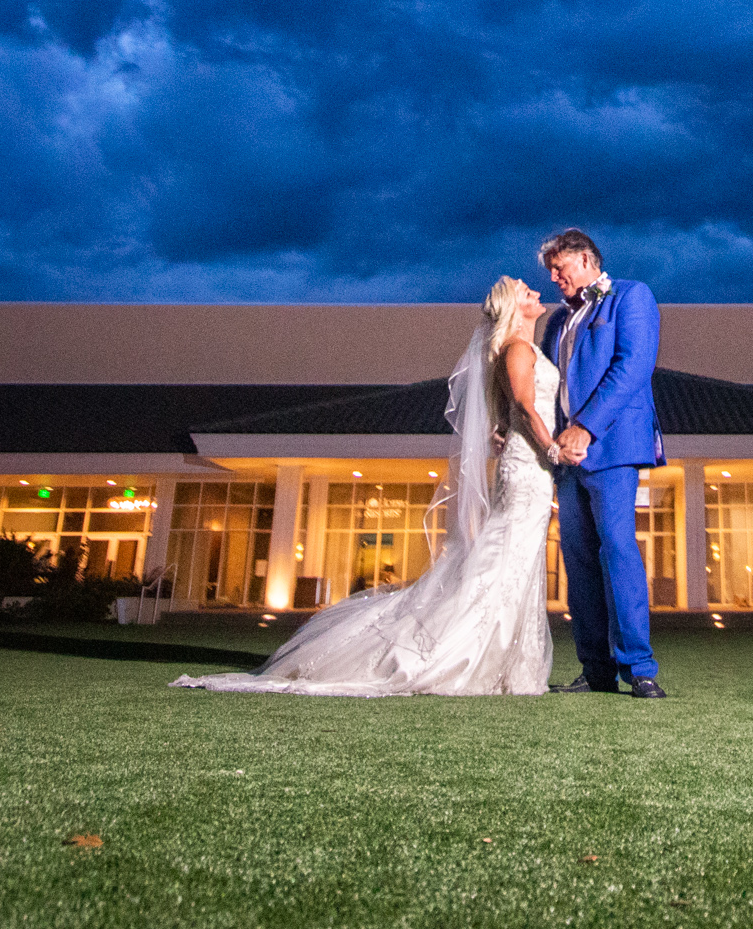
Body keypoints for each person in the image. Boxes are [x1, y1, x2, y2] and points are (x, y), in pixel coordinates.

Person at [170, 276, 559, 696]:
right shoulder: (517, 349)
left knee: (512, 561)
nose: (535, 291)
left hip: (530, 468)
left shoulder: (519, 350)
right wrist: (556, 451)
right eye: (525, 290)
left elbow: (508, 412)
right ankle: (458, 655)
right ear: (512, 308)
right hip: (528, 468)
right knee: (502, 561)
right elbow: (522, 403)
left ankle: (506, 663)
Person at [540, 229, 667, 698]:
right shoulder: (556, 322)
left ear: (588, 260)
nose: (554, 278)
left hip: (611, 448)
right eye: (550, 271)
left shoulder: (631, 297)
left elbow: (633, 366)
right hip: (565, 458)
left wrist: (586, 428)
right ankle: (595, 670)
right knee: (577, 562)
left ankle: (639, 668)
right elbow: (547, 385)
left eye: (561, 268)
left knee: (617, 549)